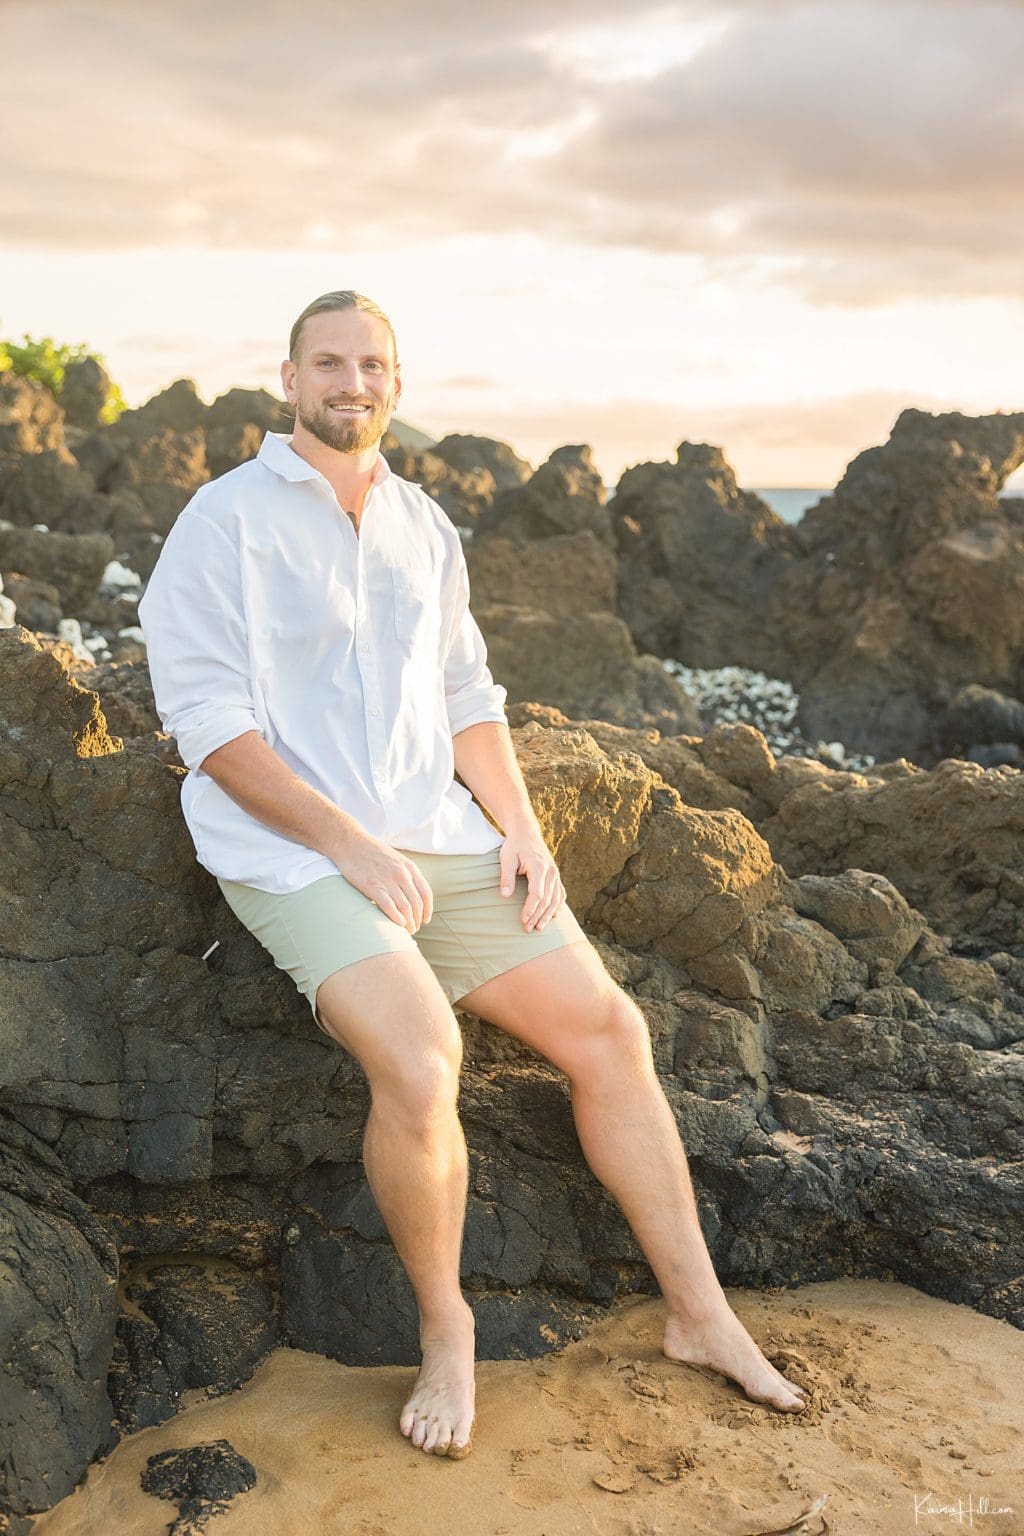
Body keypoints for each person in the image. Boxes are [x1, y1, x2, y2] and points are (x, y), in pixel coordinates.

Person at [137, 289, 807, 1461]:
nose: (354, 383)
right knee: (422, 1056)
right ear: (287, 380)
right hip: (292, 849)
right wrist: (346, 843)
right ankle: (447, 1332)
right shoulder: (223, 518)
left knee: (611, 1031)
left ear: (397, 382)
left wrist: (525, 830)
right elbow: (209, 724)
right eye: (330, 363)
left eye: (374, 365)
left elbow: (468, 703)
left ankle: (700, 1316)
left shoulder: (423, 524)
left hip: (438, 836)